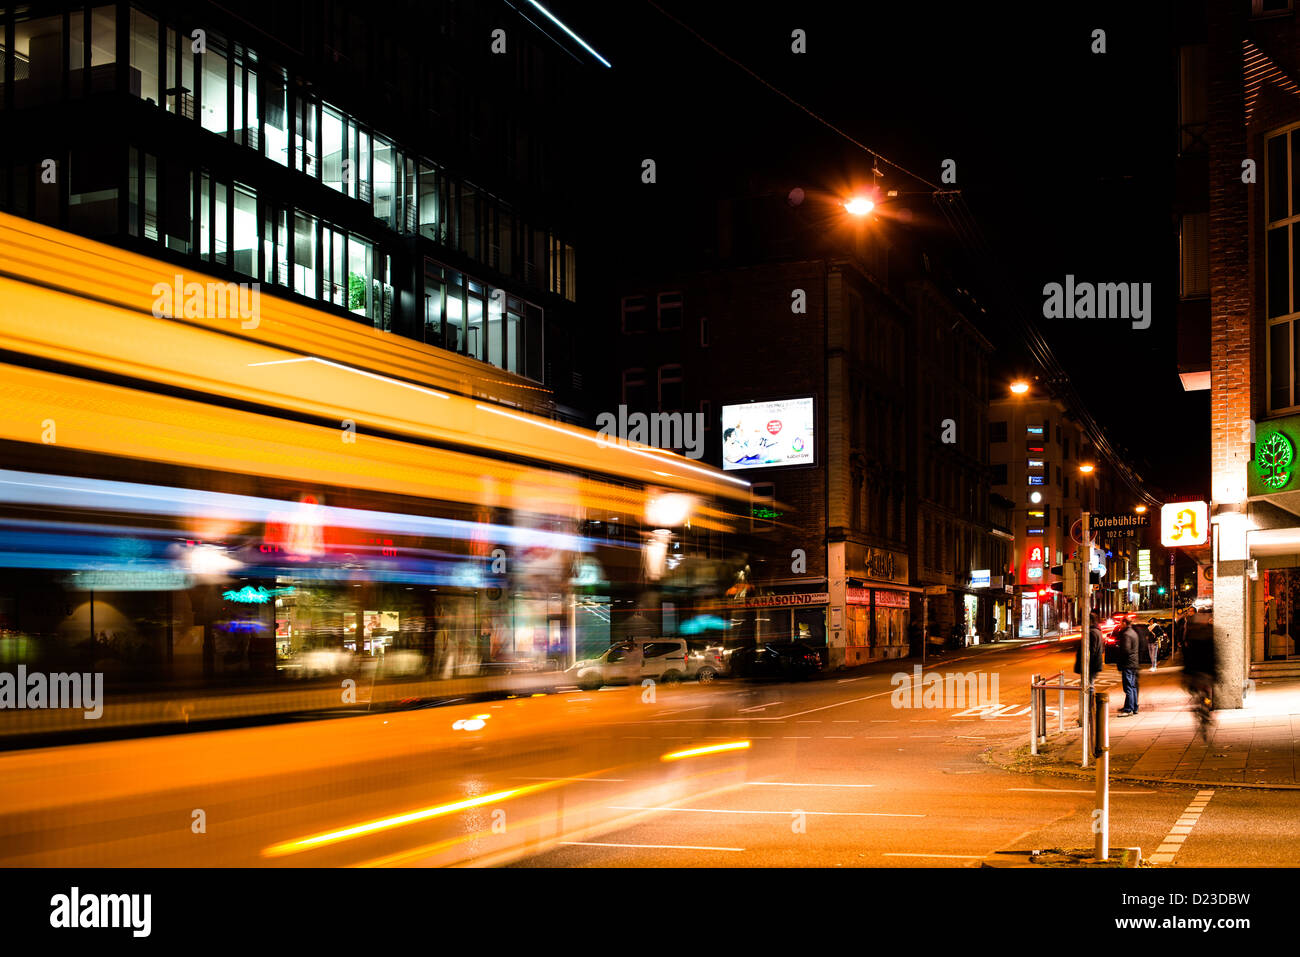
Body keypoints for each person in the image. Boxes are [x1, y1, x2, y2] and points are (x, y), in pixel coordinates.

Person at [1182, 612, 1217, 741]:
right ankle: (1207, 708)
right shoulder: (1210, 636)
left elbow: (1186, 657)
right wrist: (1216, 673)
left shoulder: (1192, 637)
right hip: (1207, 672)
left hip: (1195, 673)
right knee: (1207, 694)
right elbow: (1215, 656)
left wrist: (1186, 675)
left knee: (1196, 694)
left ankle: (1199, 708)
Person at [1117, 618, 1141, 715]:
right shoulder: (1133, 633)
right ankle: (1134, 707)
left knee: (1128, 687)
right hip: (1134, 662)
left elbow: (1125, 651)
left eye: (1120, 623)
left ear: (1124, 623)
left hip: (1128, 663)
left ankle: (1129, 709)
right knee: (1133, 686)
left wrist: (1120, 660)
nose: (1119, 625)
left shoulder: (1126, 634)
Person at [1074, 610, 1104, 686]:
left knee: (1087, 686)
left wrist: (1085, 663)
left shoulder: (1091, 633)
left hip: (1090, 665)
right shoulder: (1097, 631)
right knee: (1089, 684)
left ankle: (1089, 697)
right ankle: (1089, 697)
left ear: (1090, 621)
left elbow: (1091, 650)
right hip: (1094, 664)